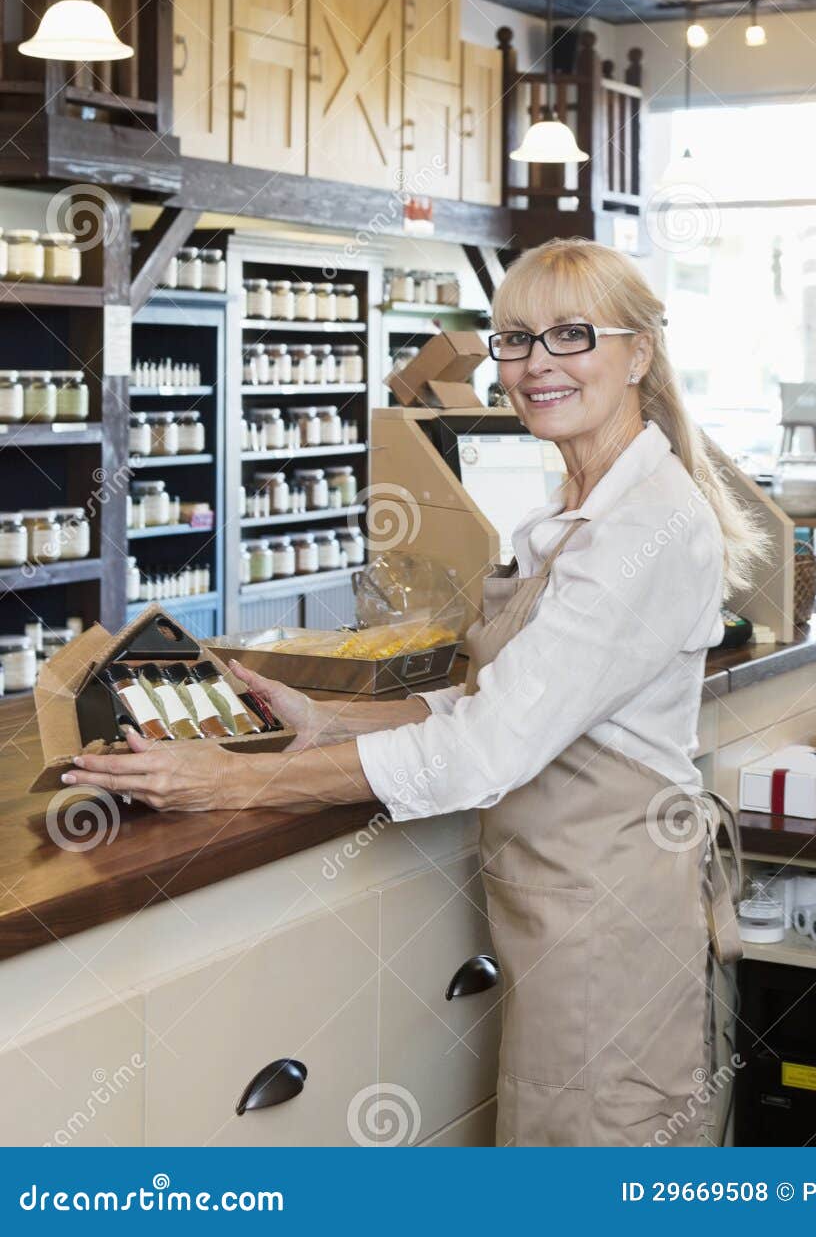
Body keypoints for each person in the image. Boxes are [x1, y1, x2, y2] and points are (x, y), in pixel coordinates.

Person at [65, 237, 764, 1146]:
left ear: (638, 354)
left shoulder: (646, 529)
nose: (535, 365)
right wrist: (330, 717)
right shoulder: (580, 511)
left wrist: (229, 782)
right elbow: (501, 704)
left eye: (571, 335)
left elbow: (485, 753)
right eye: (513, 339)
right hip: (570, 919)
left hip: (606, 931)